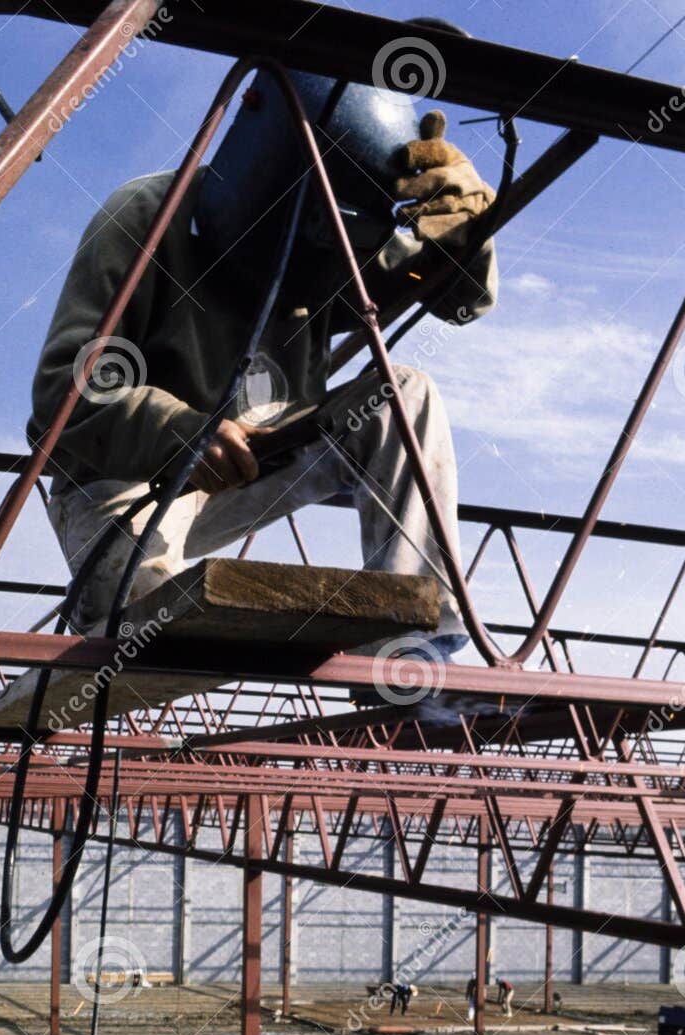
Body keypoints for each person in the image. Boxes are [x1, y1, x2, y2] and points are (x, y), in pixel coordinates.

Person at [28, 66, 498, 724]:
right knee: (142, 628)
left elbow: (458, 299)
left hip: (262, 455)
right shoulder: (145, 214)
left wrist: (470, 233)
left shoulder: (337, 237)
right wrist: (179, 431)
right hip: (131, 476)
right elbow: (63, 389)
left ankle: (412, 651)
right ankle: (111, 598)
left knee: (404, 394)